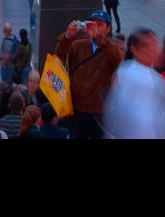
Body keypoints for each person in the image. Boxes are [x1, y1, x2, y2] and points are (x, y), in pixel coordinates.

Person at [53, 11, 123, 139]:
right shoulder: (79, 45)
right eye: (93, 24)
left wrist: (99, 38)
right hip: (77, 110)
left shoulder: (113, 49)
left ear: (109, 28)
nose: (95, 27)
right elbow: (59, 55)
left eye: (99, 25)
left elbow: (118, 59)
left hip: (99, 113)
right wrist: (67, 36)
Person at [103, 28, 165, 139]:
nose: (152, 50)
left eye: (154, 45)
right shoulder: (125, 73)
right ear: (134, 49)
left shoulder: (156, 78)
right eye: (146, 46)